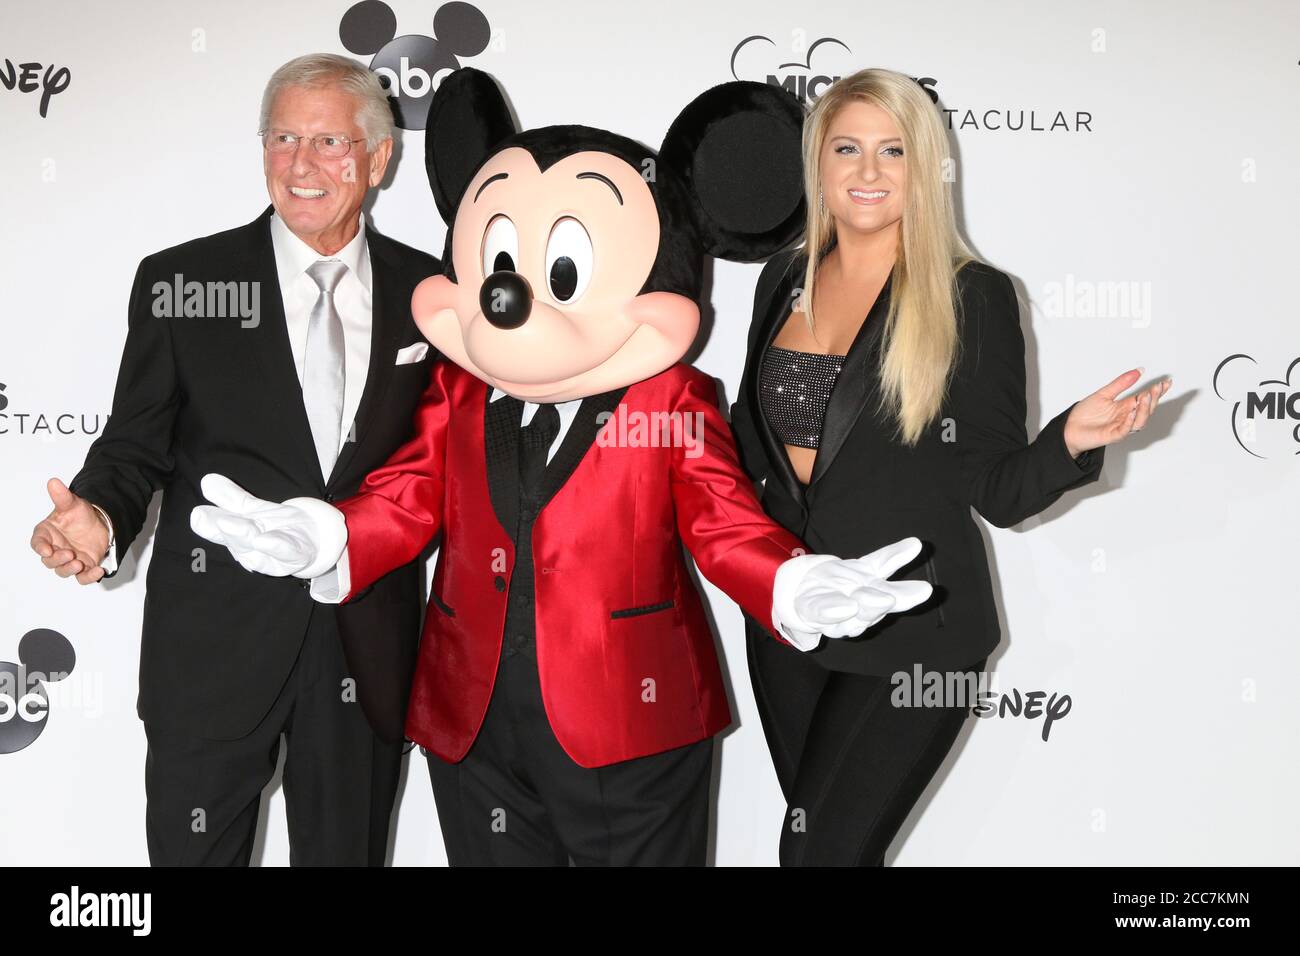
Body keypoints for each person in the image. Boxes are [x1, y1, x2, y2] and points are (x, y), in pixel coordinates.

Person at [729, 67, 1172, 866]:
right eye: (848, 148)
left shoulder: (973, 297)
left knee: (815, 858)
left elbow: (996, 490)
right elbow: (748, 447)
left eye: (893, 150)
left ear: (925, 166)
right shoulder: (781, 281)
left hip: (914, 632)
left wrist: (1069, 442)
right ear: (818, 163)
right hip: (792, 622)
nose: (868, 172)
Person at [28, 53, 440, 865]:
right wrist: (101, 516)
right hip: (211, 650)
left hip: (364, 646)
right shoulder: (183, 282)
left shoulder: (433, 295)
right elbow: (134, 444)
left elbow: (440, 469)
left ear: (378, 157)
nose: (301, 165)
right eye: (282, 137)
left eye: (328, 141)